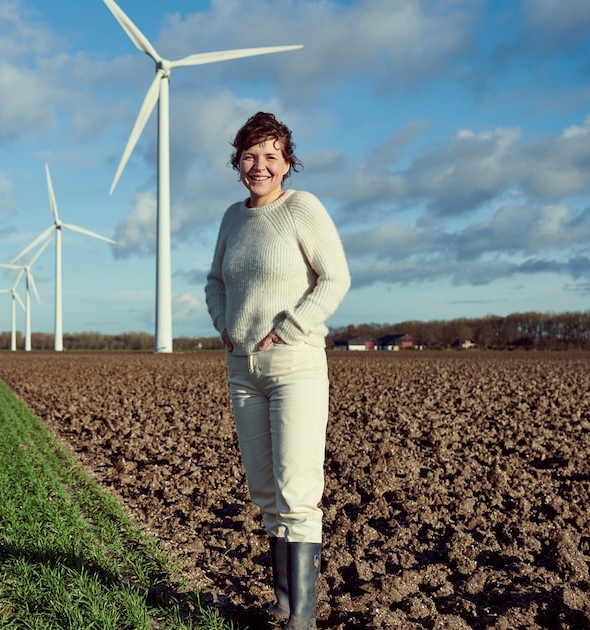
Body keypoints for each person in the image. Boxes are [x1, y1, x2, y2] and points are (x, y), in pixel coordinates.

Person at [205, 112, 351, 630]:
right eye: (249, 156)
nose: (259, 165)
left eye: (270, 156)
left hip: (294, 365)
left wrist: (289, 329)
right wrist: (224, 325)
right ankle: (284, 603)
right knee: (266, 492)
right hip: (242, 369)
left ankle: (302, 619)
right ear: (237, 164)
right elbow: (215, 281)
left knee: (297, 489)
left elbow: (335, 279)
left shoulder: (302, 209)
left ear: (288, 164)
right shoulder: (232, 217)